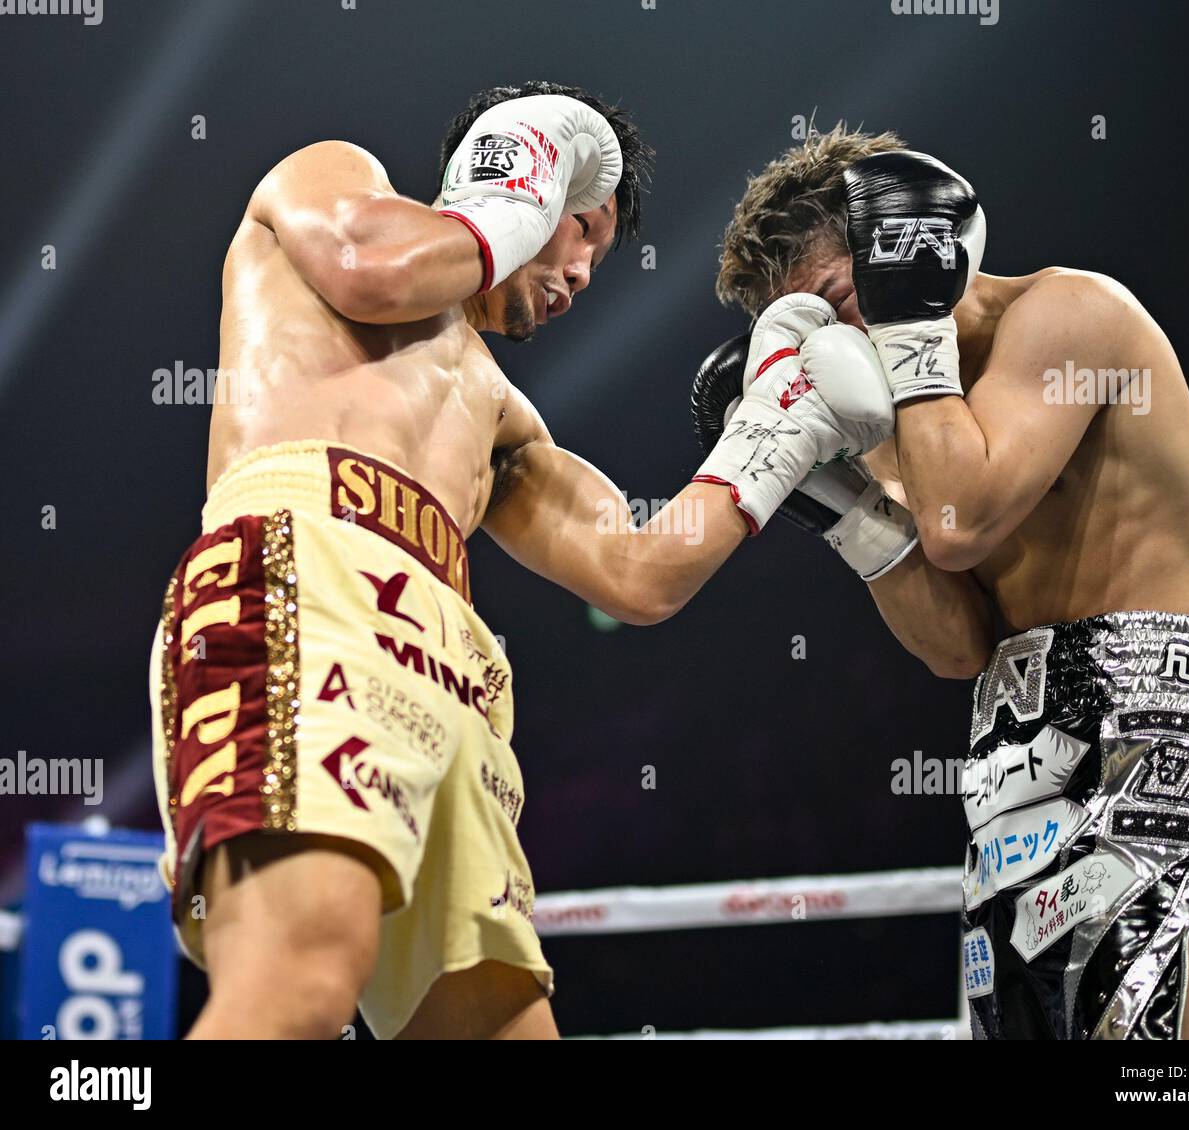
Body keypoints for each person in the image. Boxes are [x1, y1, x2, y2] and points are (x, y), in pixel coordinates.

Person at [150, 83, 896, 1040]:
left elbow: (637, 573)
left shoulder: (500, 415)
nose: (586, 270)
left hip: (450, 669)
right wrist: (519, 195)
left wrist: (771, 435)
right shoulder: (331, 181)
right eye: (584, 227)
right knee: (300, 987)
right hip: (305, 578)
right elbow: (368, 266)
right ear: (524, 176)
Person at [705, 125, 1189, 1039]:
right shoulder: (903, 425)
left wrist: (910, 326)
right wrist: (846, 510)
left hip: (1148, 740)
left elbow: (960, 525)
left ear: (910, 250)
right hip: (1010, 767)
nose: (842, 338)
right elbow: (962, 645)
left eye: (844, 299)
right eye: (808, 327)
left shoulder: (1070, 314)